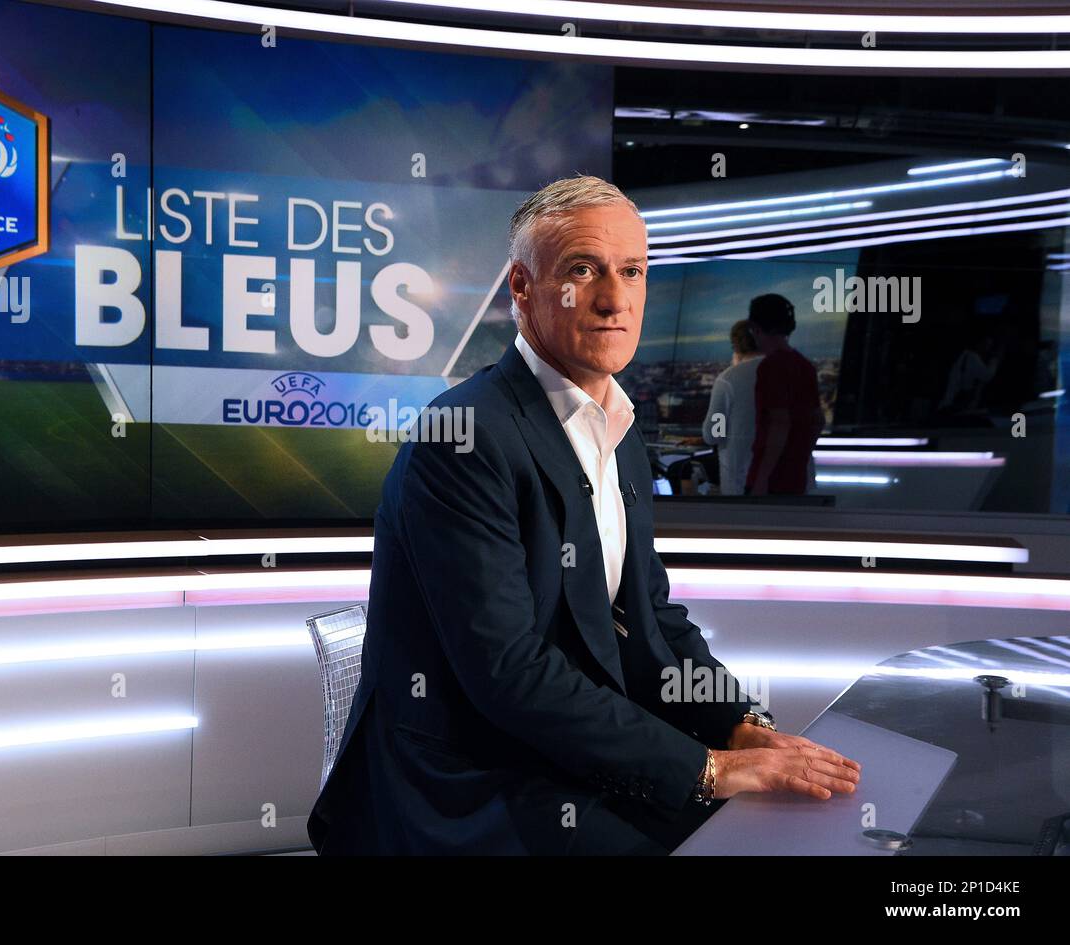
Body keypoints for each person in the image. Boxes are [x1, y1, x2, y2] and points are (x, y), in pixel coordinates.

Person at [307, 175, 859, 855]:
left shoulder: (617, 428)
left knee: (775, 829)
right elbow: (509, 673)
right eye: (582, 270)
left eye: (632, 271)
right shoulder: (464, 435)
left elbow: (650, 619)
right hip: (469, 778)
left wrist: (740, 724)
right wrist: (706, 767)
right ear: (521, 288)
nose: (615, 298)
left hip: (559, 752)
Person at [743, 295, 824, 496]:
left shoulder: (770, 367)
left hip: (773, 480)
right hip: (796, 478)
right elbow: (817, 420)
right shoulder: (805, 366)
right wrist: (800, 455)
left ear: (756, 328)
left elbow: (780, 423)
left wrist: (761, 480)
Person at [701, 319, 763, 496]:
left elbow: (714, 433)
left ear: (736, 345)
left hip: (741, 480)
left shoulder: (729, 379)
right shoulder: (790, 371)